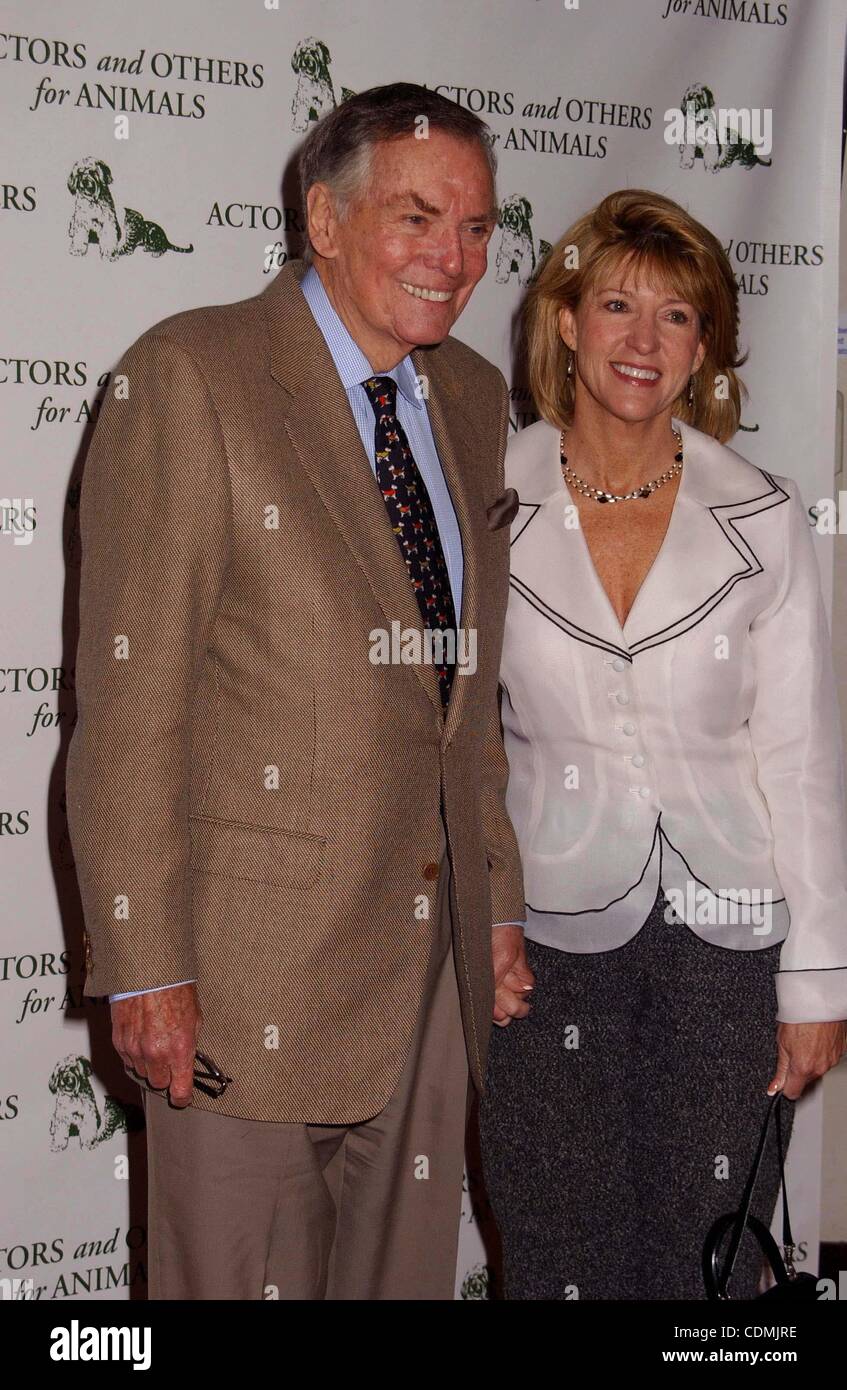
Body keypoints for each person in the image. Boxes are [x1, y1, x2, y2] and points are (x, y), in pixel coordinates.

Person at [65, 82, 527, 1301]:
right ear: (323, 220)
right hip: (242, 974)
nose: (455, 258)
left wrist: (497, 898)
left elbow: (463, 701)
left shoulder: (475, 398)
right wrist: (147, 962)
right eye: (419, 217)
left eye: (478, 228)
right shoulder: (190, 376)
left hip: (431, 977)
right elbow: (130, 705)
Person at [478, 188, 847, 1300]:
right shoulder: (486, 500)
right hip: (542, 946)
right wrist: (481, 914)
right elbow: (444, 746)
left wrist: (819, 976)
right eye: (617, 304)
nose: (642, 340)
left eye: (676, 317)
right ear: (565, 319)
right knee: (557, 1257)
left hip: (729, 946)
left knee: (710, 1263)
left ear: (704, 351)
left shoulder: (765, 513)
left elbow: (802, 756)